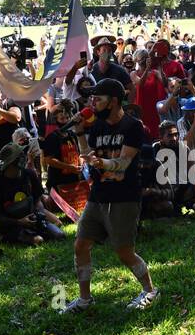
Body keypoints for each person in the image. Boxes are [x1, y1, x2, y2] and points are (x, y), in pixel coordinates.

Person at [60, 77, 159, 312]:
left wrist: (101, 162)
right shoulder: (98, 126)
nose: (92, 103)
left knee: (124, 252)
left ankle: (150, 291)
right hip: (98, 194)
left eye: (98, 99)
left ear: (114, 101)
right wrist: (80, 134)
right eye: (91, 99)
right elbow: (87, 155)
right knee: (81, 245)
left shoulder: (133, 126)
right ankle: (85, 299)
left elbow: (123, 163)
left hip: (124, 196)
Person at [0, 141, 66, 245]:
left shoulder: (29, 174)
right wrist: (19, 221)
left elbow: (37, 200)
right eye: (20, 155)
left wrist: (40, 215)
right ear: (11, 162)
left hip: (33, 217)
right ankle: (11, 237)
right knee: (38, 240)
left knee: (59, 234)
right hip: (13, 224)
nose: (24, 156)